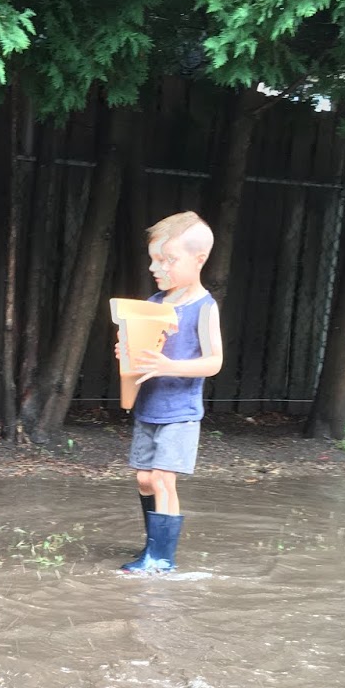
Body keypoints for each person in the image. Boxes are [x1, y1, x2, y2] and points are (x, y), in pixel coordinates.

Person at [120, 211, 223, 575]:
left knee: (163, 478)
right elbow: (137, 354)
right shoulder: (153, 305)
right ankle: (154, 544)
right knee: (145, 479)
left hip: (181, 411)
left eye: (167, 260)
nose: (155, 267)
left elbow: (214, 362)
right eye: (153, 259)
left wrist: (169, 366)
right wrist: (127, 354)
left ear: (199, 259)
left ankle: (161, 559)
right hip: (149, 407)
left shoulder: (204, 307)